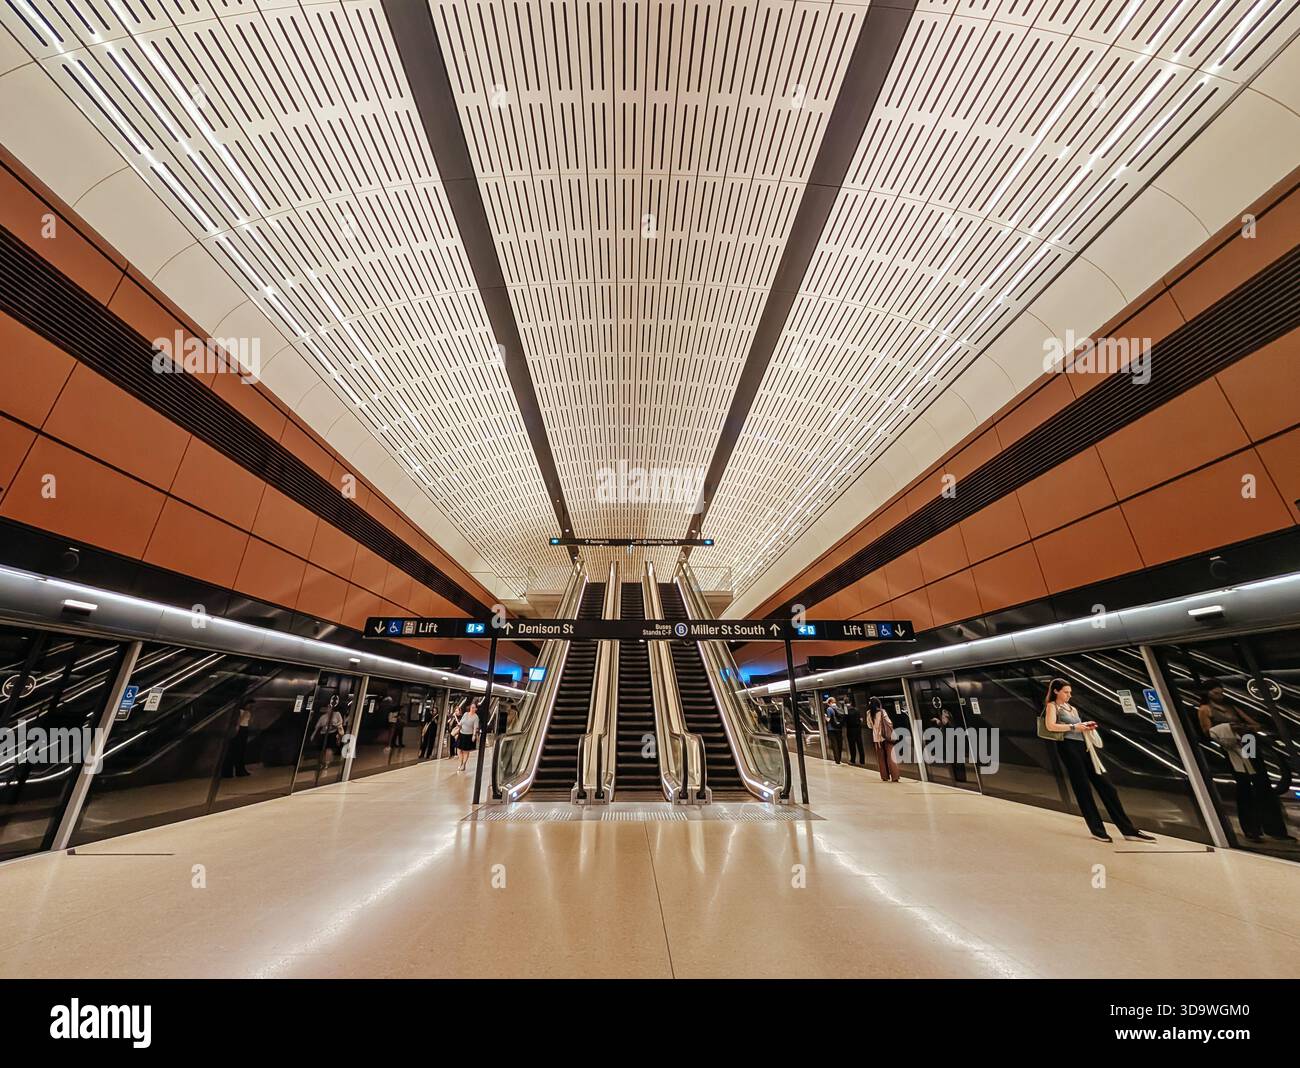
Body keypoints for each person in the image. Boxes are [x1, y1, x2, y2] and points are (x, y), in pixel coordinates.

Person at [1042, 678, 1155, 844]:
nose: (1069, 695)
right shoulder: (1053, 706)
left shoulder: (1072, 708)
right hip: (1068, 748)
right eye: (1066, 692)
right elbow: (1050, 726)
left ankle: (1128, 830)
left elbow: (1077, 726)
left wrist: (1085, 726)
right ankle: (1097, 829)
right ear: (1056, 691)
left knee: (1107, 787)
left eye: (1070, 692)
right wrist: (1074, 727)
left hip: (1085, 747)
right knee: (1083, 789)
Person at [1197, 685, 1292, 843]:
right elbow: (1207, 731)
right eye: (1216, 692)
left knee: (1262, 782)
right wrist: (1230, 729)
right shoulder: (1205, 709)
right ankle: (1251, 829)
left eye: (1221, 692)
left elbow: (1255, 724)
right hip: (1231, 746)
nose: (1220, 695)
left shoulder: (1232, 707)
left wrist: (1243, 727)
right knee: (1244, 786)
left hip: (1247, 741)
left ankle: (1274, 828)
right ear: (1208, 693)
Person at [311, 694, 346, 772]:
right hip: (323, 734)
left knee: (329, 749)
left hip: (332, 734)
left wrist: (335, 725)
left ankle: (326, 763)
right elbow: (317, 726)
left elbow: (340, 722)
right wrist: (313, 735)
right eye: (328, 707)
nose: (329, 708)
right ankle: (321, 762)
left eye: (330, 707)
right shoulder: (323, 717)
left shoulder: (337, 714)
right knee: (322, 749)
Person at [870, 698, 900, 782]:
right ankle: (895, 776)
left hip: (876, 739)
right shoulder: (882, 712)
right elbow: (889, 722)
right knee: (891, 756)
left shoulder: (869, 713)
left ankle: (884, 776)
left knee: (881, 758)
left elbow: (869, 725)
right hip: (886, 737)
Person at [223, 700, 253, 778]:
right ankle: (238, 770)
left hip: (244, 729)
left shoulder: (245, 712)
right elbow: (239, 721)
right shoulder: (242, 712)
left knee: (240, 750)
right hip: (241, 730)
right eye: (249, 704)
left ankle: (239, 770)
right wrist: (237, 727)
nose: (250, 706)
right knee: (239, 750)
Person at [456, 700, 480, 772]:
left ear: (476, 709)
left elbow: (475, 727)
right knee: (459, 750)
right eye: (471, 707)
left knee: (466, 751)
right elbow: (461, 722)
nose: (472, 709)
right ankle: (460, 763)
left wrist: (474, 735)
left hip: (468, 735)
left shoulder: (476, 717)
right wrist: (458, 726)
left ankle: (463, 765)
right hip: (461, 733)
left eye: (474, 708)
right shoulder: (465, 714)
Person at [843, 699, 865, 765]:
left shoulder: (846, 712)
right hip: (858, 730)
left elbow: (844, 721)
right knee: (860, 745)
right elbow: (861, 719)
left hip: (850, 730)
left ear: (845, 704)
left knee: (852, 746)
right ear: (851, 702)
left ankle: (853, 760)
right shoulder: (857, 710)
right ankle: (862, 761)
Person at [824, 696, 844, 764]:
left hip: (831, 729)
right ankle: (840, 758)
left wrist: (825, 717)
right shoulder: (838, 708)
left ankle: (837, 760)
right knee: (839, 744)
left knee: (834, 744)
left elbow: (829, 720)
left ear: (830, 703)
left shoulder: (829, 709)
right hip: (839, 728)